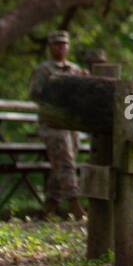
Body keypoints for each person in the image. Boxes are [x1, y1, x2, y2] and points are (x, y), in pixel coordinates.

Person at [29, 30, 86, 219]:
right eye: (57, 44)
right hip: (53, 124)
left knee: (61, 165)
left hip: (71, 124)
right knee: (66, 163)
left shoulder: (75, 69)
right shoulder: (44, 70)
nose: (61, 47)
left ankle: (49, 207)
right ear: (50, 47)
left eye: (64, 44)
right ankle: (75, 205)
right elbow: (35, 94)